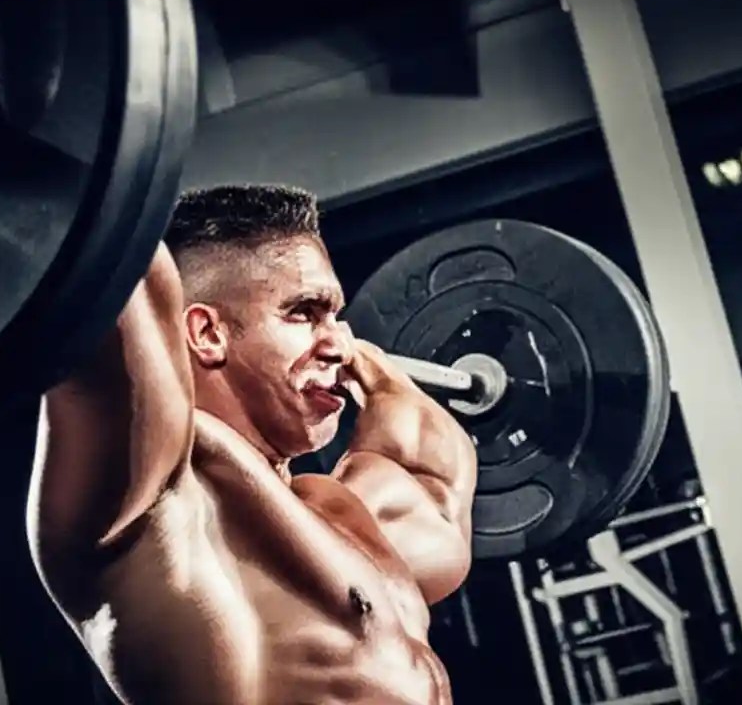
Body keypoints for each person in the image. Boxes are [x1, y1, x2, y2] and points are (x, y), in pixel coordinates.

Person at [27, 184, 478, 704]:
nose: (337, 341)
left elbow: (435, 487)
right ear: (206, 332)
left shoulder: (342, 513)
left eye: (336, 314)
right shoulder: (158, 506)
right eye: (303, 312)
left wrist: (361, 360)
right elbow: (115, 274)